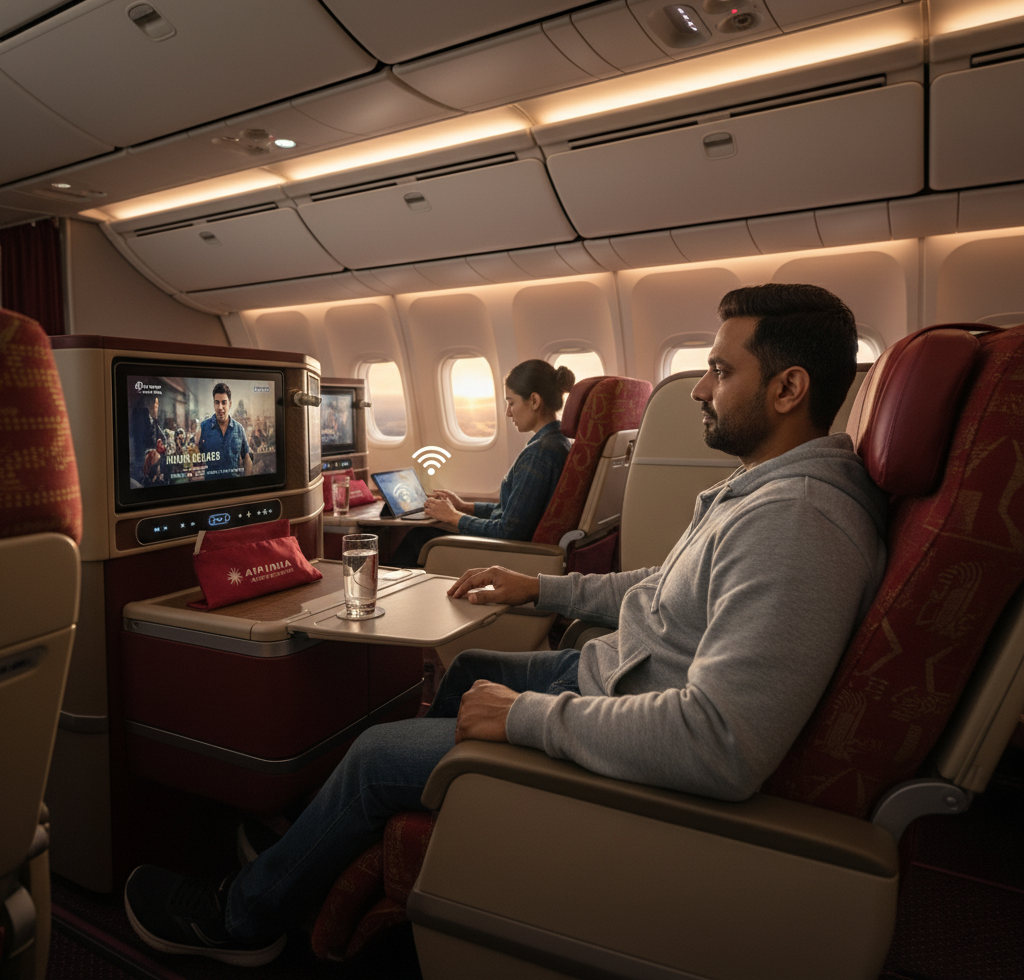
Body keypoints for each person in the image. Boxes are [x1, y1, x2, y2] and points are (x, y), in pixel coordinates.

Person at [124, 283, 888, 967]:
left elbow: (720, 746)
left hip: (633, 716)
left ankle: (241, 918)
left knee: (372, 753)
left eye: (722, 371)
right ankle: (316, 842)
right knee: (460, 675)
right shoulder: (766, 489)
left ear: (790, 387)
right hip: (616, 672)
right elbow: (664, 592)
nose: (700, 391)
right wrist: (544, 589)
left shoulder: (798, 524)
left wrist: (528, 718)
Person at [389, 359, 575, 566]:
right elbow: (517, 511)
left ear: (534, 401)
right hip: (521, 545)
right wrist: (466, 507)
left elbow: (508, 531)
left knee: (419, 539)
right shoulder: (558, 442)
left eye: (511, 402)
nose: (508, 412)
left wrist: (454, 517)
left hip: (515, 553)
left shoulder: (539, 454)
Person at [195, 382, 253, 478]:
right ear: (214, 403)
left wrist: (247, 483)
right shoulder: (203, 427)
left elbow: (246, 458)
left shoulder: (239, 429)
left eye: (224, 402)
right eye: (217, 402)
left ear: (230, 404)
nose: (220, 407)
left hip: (235, 488)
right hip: (211, 488)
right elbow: (194, 459)